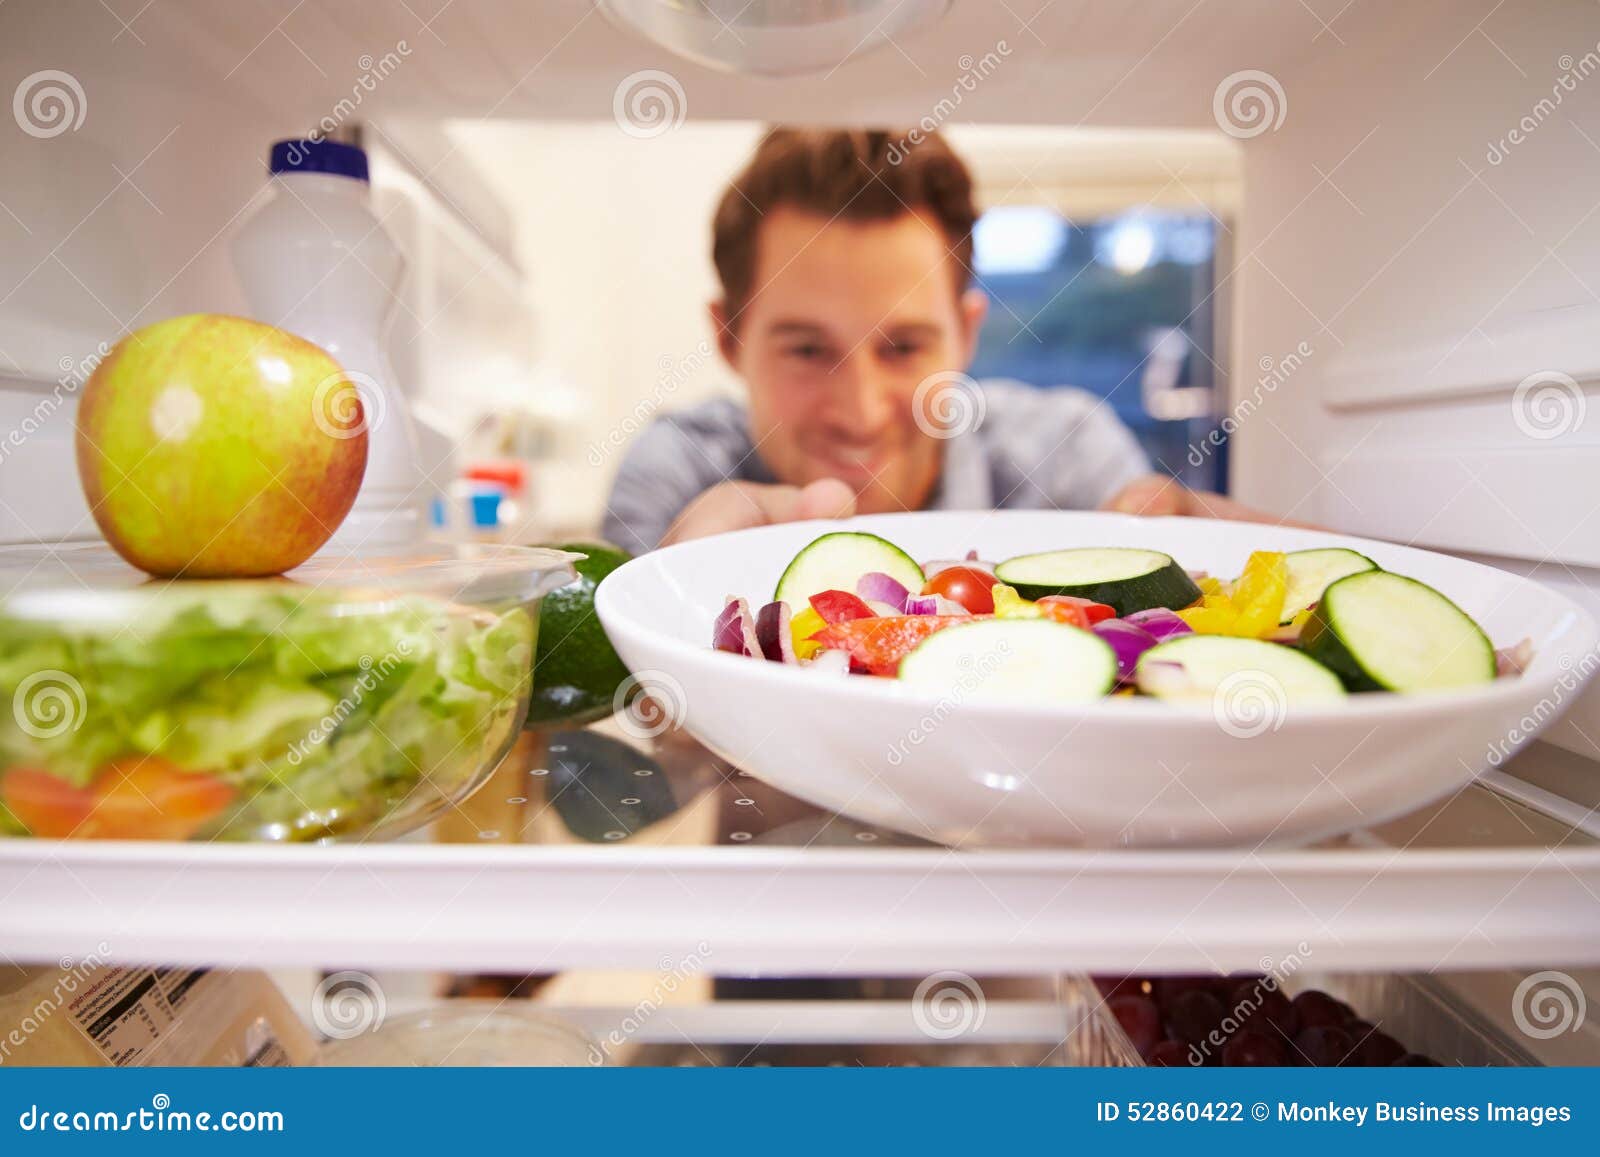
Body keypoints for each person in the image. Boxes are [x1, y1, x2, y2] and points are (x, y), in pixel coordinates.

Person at [601, 127, 1276, 553]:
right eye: (807, 350)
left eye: (903, 348)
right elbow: (633, 720)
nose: (860, 411)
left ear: (966, 335)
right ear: (729, 339)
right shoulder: (677, 476)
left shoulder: (1067, 459)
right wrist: (674, 613)